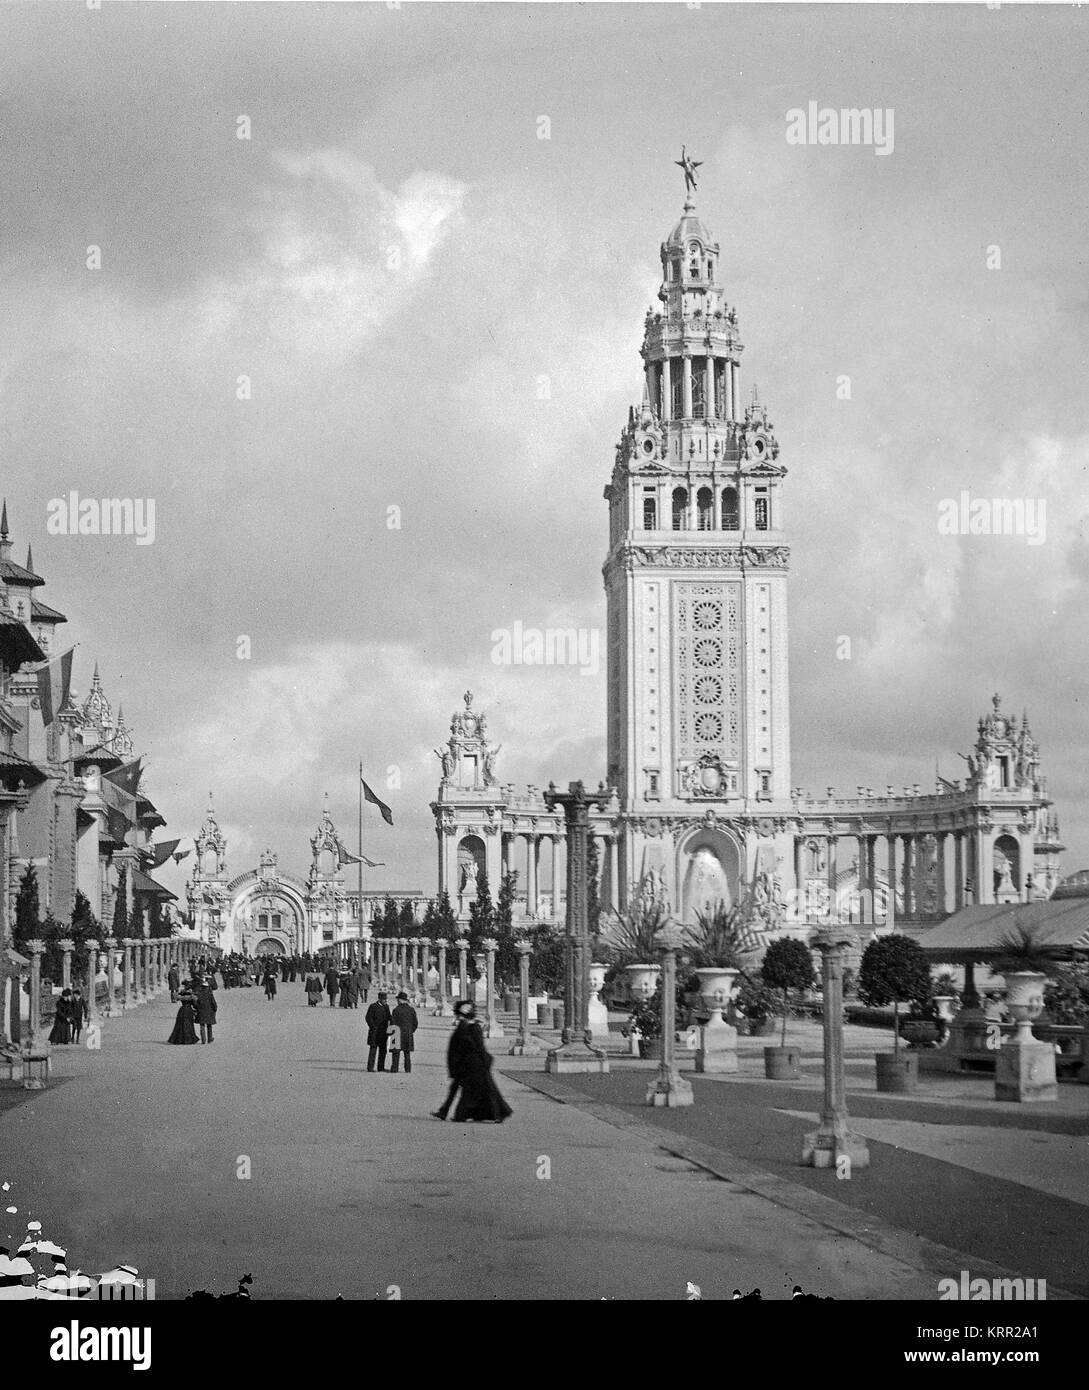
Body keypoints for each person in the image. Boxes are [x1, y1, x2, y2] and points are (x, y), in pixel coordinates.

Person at [448, 1001, 512, 1123]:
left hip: (478, 1064)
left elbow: (479, 1047)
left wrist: (486, 1060)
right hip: (473, 1064)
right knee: (480, 1090)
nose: (459, 1018)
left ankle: (497, 1113)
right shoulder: (468, 1027)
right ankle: (492, 1114)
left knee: (485, 1091)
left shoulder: (474, 1028)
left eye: (461, 1016)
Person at [389, 991, 418, 1074]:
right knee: (407, 1053)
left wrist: (391, 1033)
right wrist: (411, 1031)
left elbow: (392, 1023)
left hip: (397, 1033)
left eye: (398, 999)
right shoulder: (411, 1010)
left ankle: (394, 1068)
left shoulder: (396, 1010)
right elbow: (415, 1023)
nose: (397, 1001)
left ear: (400, 1000)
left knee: (396, 1053)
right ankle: (408, 1069)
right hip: (408, 1033)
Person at [365, 991, 392, 1072]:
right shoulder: (373, 1006)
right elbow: (368, 1018)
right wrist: (373, 1027)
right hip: (375, 1032)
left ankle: (381, 1067)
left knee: (383, 1051)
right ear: (379, 999)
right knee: (373, 1050)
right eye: (384, 999)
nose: (385, 1001)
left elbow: (389, 1017)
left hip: (383, 1032)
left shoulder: (386, 1007)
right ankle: (370, 1067)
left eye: (386, 999)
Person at [195, 975, 218, 1044]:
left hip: (201, 1010)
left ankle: (203, 1039)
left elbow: (195, 1002)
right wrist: (215, 1009)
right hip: (209, 1011)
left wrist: (197, 1008)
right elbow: (213, 1002)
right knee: (209, 1025)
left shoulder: (199, 993)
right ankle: (210, 1038)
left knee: (202, 1025)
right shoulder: (209, 993)